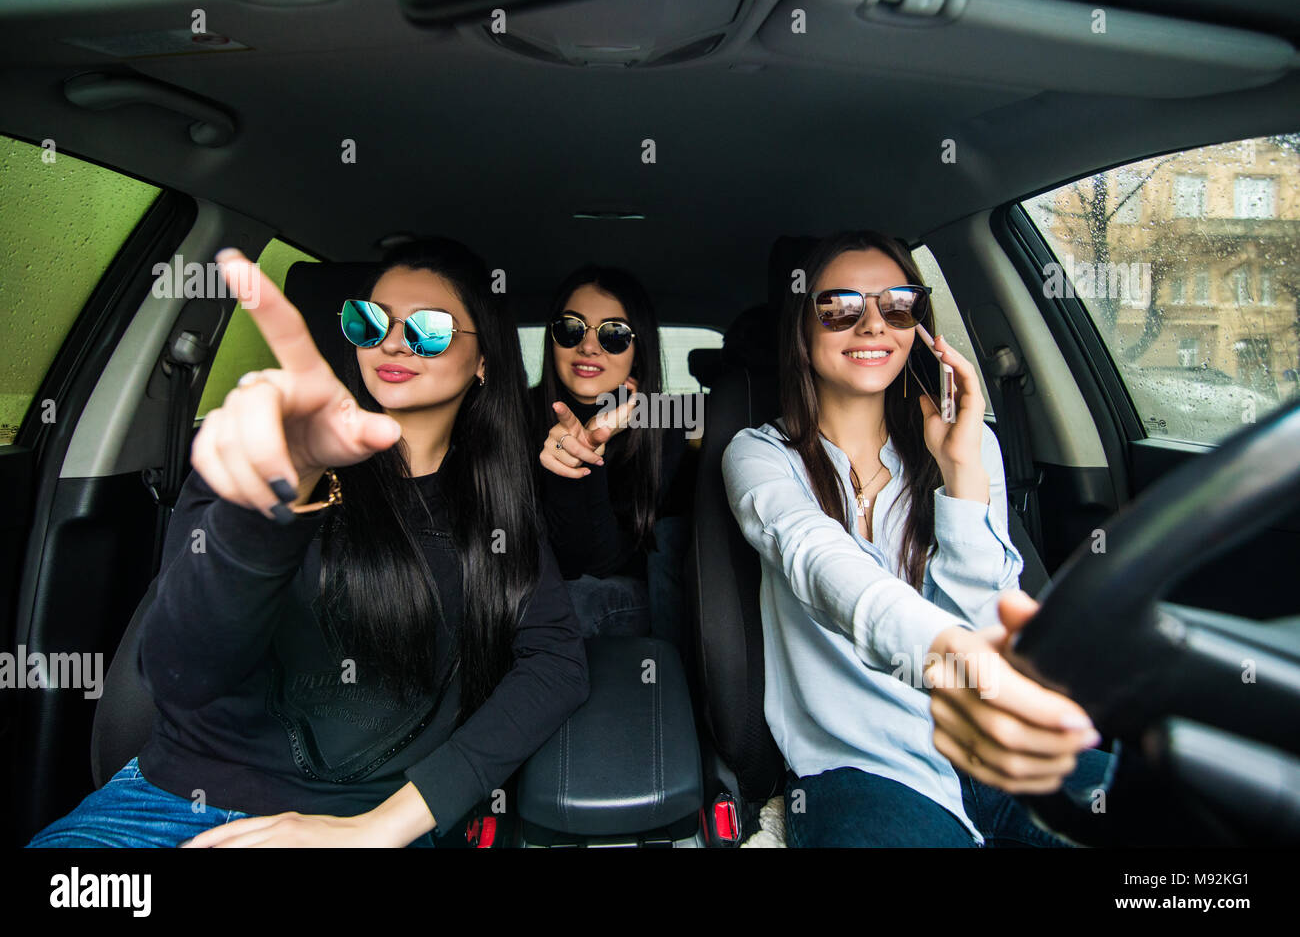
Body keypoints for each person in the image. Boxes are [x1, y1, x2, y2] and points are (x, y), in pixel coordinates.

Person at [28, 238, 587, 848]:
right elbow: (183, 673)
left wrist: (378, 829)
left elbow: (556, 665)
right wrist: (280, 499)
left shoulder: (499, 506)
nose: (393, 343)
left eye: (430, 328)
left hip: (370, 819)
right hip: (165, 804)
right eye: (369, 322)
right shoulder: (259, 458)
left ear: (483, 362)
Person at [722, 230, 1115, 847]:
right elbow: (818, 561)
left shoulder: (968, 443)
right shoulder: (759, 456)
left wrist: (961, 475)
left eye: (897, 304)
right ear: (803, 328)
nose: (873, 324)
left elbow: (986, 616)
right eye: (840, 307)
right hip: (860, 763)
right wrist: (953, 653)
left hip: (988, 739)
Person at [532, 265, 694, 645]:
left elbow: (595, 564)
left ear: (637, 353)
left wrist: (587, 453)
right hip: (529, 585)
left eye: (614, 335)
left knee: (575, 601)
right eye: (571, 328)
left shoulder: (662, 425)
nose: (588, 347)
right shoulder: (513, 414)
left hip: (616, 590)